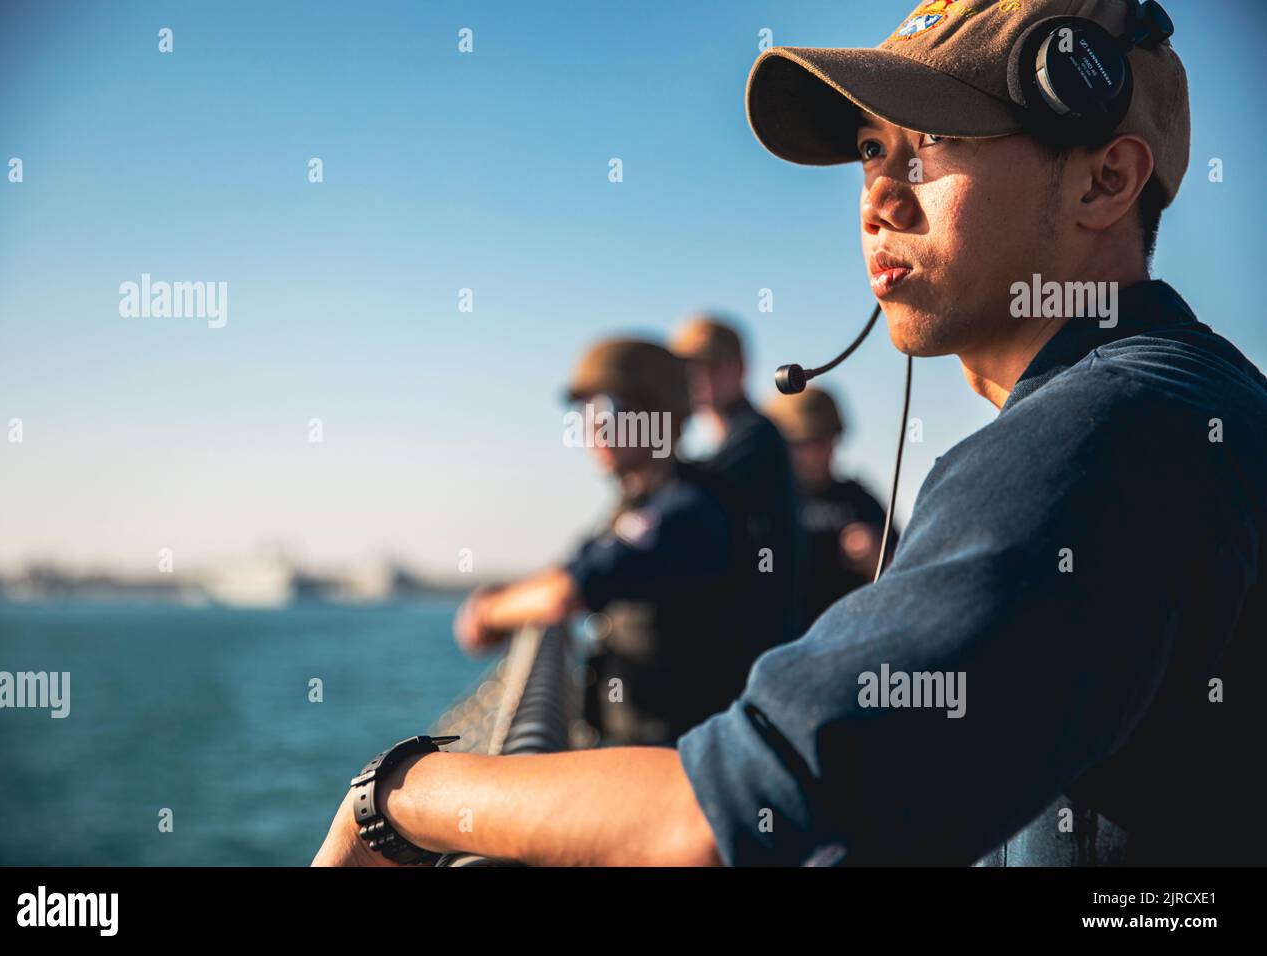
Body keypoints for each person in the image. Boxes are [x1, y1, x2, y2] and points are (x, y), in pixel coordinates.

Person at [316, 0, 1266, 867]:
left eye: (933, 141)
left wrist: (395, 795)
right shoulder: (1187, 403)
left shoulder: (1102, 436)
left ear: (1105, 182)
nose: (880, 197)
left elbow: (719, 821)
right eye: (870, 148)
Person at [451, 338, 758, 747]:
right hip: (637, 754)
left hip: (679, 766)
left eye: (608, 408)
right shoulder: (635, 507)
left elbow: (566, 592)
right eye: (585, 411)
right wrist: (508, 596)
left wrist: (486, 612)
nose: (593, 425)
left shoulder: (689, 511)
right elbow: (573, 566)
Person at [669, 316, 805, 647]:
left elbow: (692, 495)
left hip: (760, 641)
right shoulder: (729, 441)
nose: (700, 379)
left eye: (713, 367)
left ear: (740, 368)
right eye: (691, 370)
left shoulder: (756, 437)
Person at [766, 387, 897, 630]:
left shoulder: (859, 502)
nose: (820, 452)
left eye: (826, 439)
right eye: (805, 443)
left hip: (848, 643)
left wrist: (877, 560)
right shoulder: (763, 503)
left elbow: (906, 587)